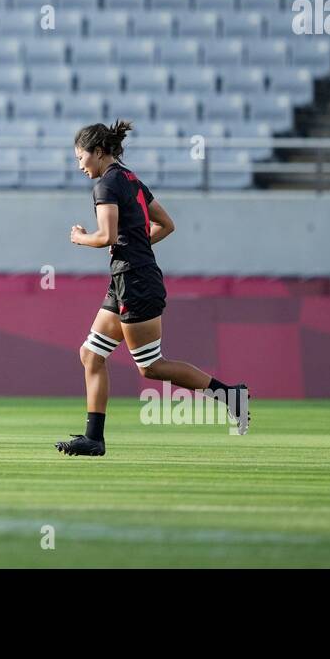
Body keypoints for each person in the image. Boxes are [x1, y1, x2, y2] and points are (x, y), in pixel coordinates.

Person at [56, 121, 249, 456]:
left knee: (151, 366)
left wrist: (80, 237)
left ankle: (230, 395)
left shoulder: (106, 185)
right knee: (91, 354)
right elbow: (166, 224)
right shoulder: (130, 179)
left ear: (98, 152)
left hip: (135, 281)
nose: (79, 165)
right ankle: (93, 438)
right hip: (128, 278)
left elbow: (106, 237)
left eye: (80, 157)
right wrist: (136, 247)